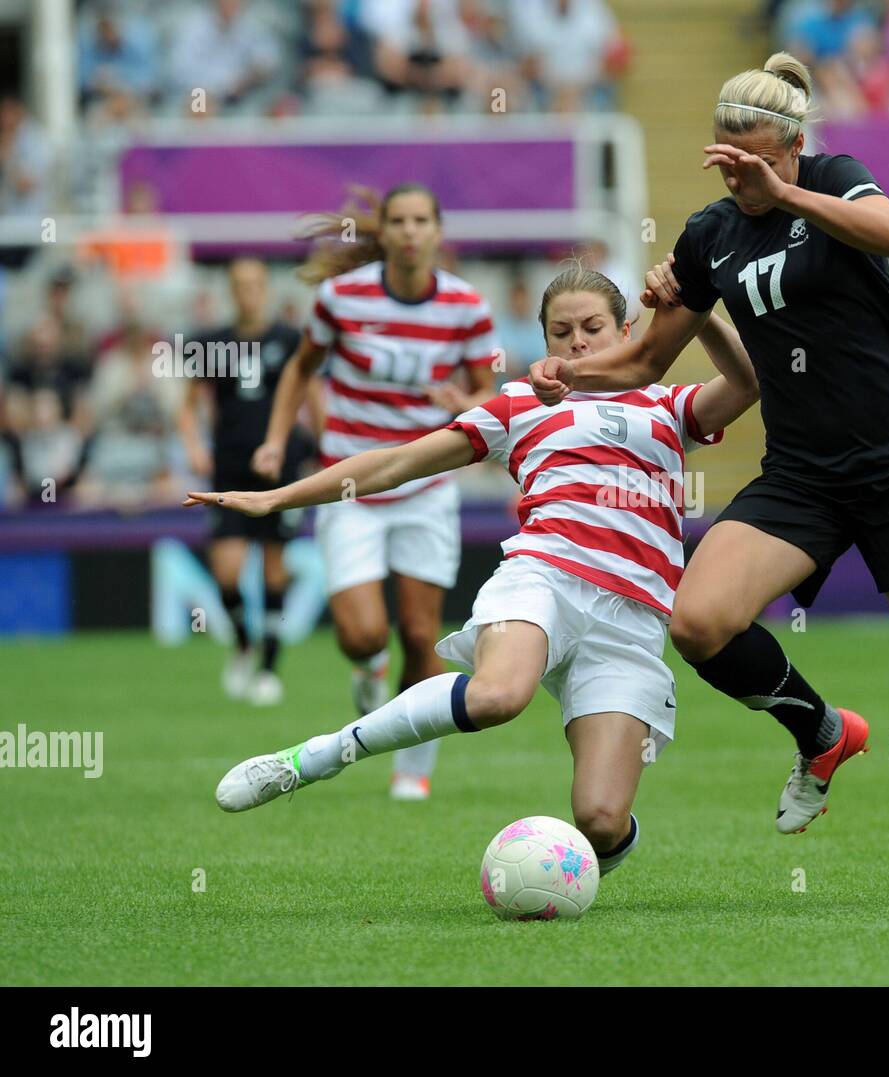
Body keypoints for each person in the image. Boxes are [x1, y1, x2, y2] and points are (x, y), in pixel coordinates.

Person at [530, 52, 889, 904]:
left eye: (755, 161)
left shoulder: (834, 180)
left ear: (792, 148)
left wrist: (789, 194)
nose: (741, 178)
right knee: (698, 622)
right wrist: (565, 374)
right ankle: (820, 731)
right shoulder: (711, 235)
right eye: (726, 161)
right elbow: (648, 356)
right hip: (802, 473)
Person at [188, 264, 759, 876]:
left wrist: (699, 305)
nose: (578, 343)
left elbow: (749, 382)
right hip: (544, 575)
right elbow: (397, 464)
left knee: (599, 820)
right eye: (561, 333)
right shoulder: (520, 404)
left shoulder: (669, 406)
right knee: (496, 696)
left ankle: (590, 855)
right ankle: (321, 756)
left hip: (633, 617)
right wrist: (278, 498)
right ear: (544, 343)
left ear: (629, 329)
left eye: (593, 328)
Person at [252, 182, 497, 800]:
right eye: (400, 221)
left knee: (420, 634)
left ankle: (412, 770)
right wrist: (278, 440)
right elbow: (301, 369)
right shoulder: (339, 298)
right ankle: (368, 673)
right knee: (361, 635)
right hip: (352, 481)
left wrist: (462, 403)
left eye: (422, 220)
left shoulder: (467, 306)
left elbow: (490, 394)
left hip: (425, 484)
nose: (411, 231)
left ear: (438, 230)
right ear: (382, 232)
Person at [177, 258, 316, 704]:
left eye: (255, 283)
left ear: (266, 288)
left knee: (275, 570)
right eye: (239, 284)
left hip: (280, 468)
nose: (248, 292)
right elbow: (188, 404)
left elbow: (312, 396)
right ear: (230, 290)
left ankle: (269, 670)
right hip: (228, 468)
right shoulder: (211, 343)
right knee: (226, 571)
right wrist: (195, 446)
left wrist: (326, 448)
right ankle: (241, 641)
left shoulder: (291, 340)